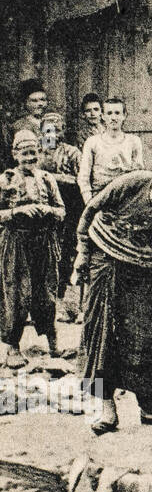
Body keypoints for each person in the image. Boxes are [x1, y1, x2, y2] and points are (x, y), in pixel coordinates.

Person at [71, 137, 152, 435]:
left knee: (143, 336)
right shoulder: (132, 182)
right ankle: (107, 411)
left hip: (143, 272)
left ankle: (149, 409)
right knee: (101, 332)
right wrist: (82, 251)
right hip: (104, 260)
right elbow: (92, 207)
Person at [0, 130, 66, 367]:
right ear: (15, 154)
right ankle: (13, 347)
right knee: (17, 294)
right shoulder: (5, 179)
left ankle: (52, 342)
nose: (30, 158)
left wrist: (48, 210)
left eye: (34, 153)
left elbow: (61, 210)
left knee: (46, 293)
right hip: (16, 243)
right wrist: (17, 211)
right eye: (25, 153)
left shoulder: (47, 178)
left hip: (43, 244)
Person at [37, 113, 84, 310]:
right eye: (48, 131)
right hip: (44, 210)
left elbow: (82, 179)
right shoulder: (36, 154)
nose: (53, 135)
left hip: (70, 206)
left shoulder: (72, 153)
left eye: (57, 130)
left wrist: (56, 178)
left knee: (68, 249)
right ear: (41, 133)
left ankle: (67, 297)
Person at [77, 96, 144, 201]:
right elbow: (83, 178)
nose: (113, 118)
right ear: (103, 116)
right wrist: (90, 204)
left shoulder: (134, 141)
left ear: (124, 115)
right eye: (109, 113)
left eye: (117, 113)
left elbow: (138, 175)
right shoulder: (92, 142)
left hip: (125, 198)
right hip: (100, 198)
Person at [3, 78, 48, 169]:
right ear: (25, 103)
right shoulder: (20, 125)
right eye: (34, 101)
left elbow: (51, 148)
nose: (40, 104)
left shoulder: (49, 123)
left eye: (42, 100)